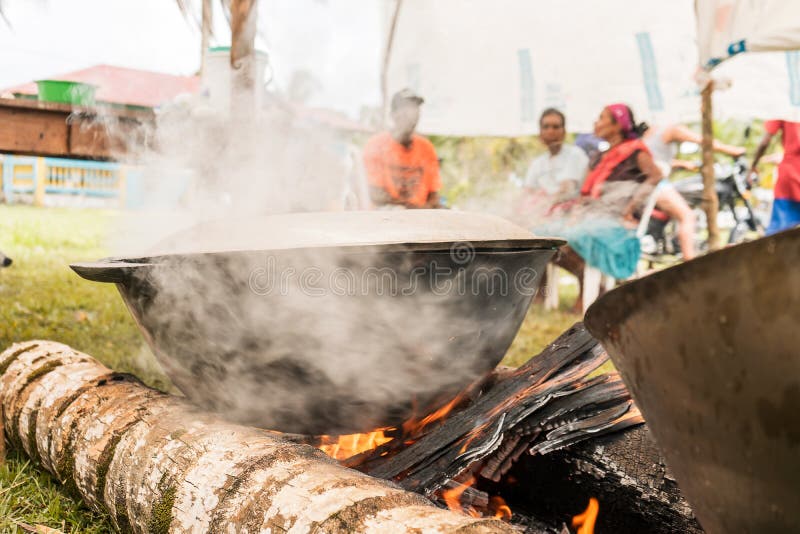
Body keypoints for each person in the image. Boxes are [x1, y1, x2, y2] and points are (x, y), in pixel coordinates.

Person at [363, 89, 442, 209]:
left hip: (421, 217)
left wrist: (424, 211)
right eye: (406, 108)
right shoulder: (376, 145)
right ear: (393, 115)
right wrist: (409, 210)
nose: (412, 114)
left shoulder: (426, 148)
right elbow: (375, 194)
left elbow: (433, 194)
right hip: (384, 217)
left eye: (415, 109)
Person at [524, 108, 589, 202]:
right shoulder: (537, 163)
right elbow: (527, 193)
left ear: (564, 131)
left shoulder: (575, 155)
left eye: (556, 127)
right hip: (542, 212)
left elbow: (567, 192)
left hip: (570, 212)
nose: (550, 132)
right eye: (546, 127)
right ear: (540, 133)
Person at [750, 120, 800, 234]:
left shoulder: (786, 106)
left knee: (779, 233)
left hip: (790, 178)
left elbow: (765, 141)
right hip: (791, 176)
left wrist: (753, 165)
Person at [644, 123, 745, 176]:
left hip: (644, 177)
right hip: (652, 181)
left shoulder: (653, 129)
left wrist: (683, 164)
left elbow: (655, 160)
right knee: (688, 216)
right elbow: (705, 142)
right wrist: (731, 150)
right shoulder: (674, 129)